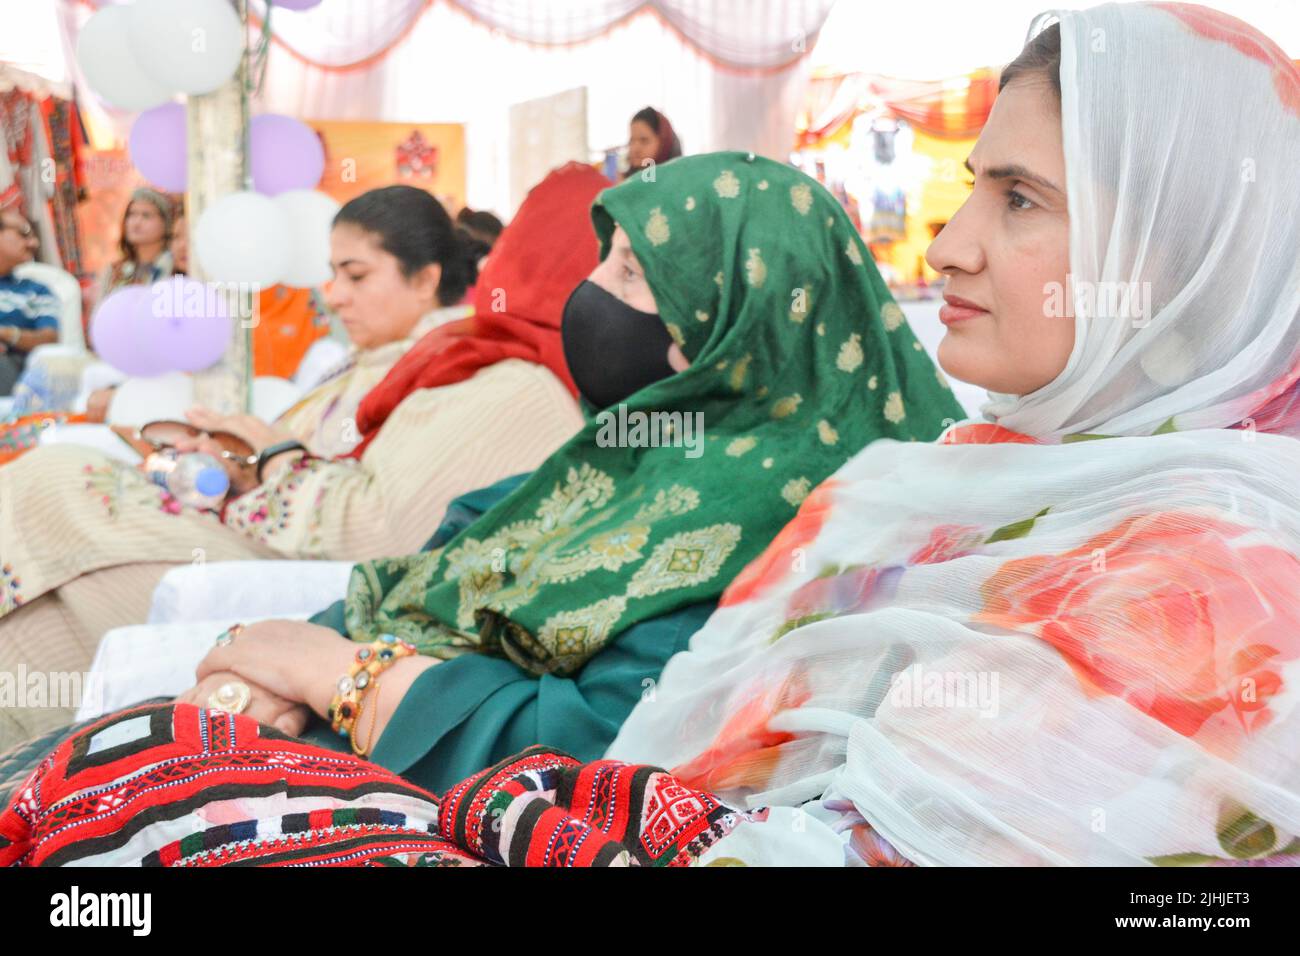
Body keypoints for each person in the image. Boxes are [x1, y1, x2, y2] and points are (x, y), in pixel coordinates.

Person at [5, 3, 1294, 870]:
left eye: (1020, 200)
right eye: (971, 188)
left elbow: (670, 772)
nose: (952, 243)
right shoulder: (945, 484)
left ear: (1174, 263)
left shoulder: (1212, 587)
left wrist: (346, 685)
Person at [164, 151, 963, 793]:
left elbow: (594, 755)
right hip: (328, 737)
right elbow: (432, 568)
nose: (590, 295)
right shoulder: (627, 452)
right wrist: (264, 675)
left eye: (630, 274)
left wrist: (327, 673)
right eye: (604, 262)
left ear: (733, 327)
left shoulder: (790, 534)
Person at [0, 176, 591, 746]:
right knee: (37, 616)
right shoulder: (406, 359)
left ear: (426, 278)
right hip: (261, 547)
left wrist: (269, 457)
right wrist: (241, 456)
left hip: (299, 581)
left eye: (354, 274)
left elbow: (383, 530)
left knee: (57, 477)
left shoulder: (488, 375)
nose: (333, 294)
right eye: (333, 273)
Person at [0, 207, 59, 395]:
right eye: (24, 234)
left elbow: (49, 337)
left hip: (10, 365)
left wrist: (4, 334)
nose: (34, 242)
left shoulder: (37, 290)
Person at [91, 187, 176, 309]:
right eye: (131, 214)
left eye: (146, 216)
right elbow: (99, 315)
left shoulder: (173, 268)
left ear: (167, 224)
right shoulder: (114, 271)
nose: (136, 222)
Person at [624, 106, 682, 179]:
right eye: (631, 141)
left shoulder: (679, 183)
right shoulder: (626, 182)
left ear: (663, 143)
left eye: (644, 140)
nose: (634, 148)